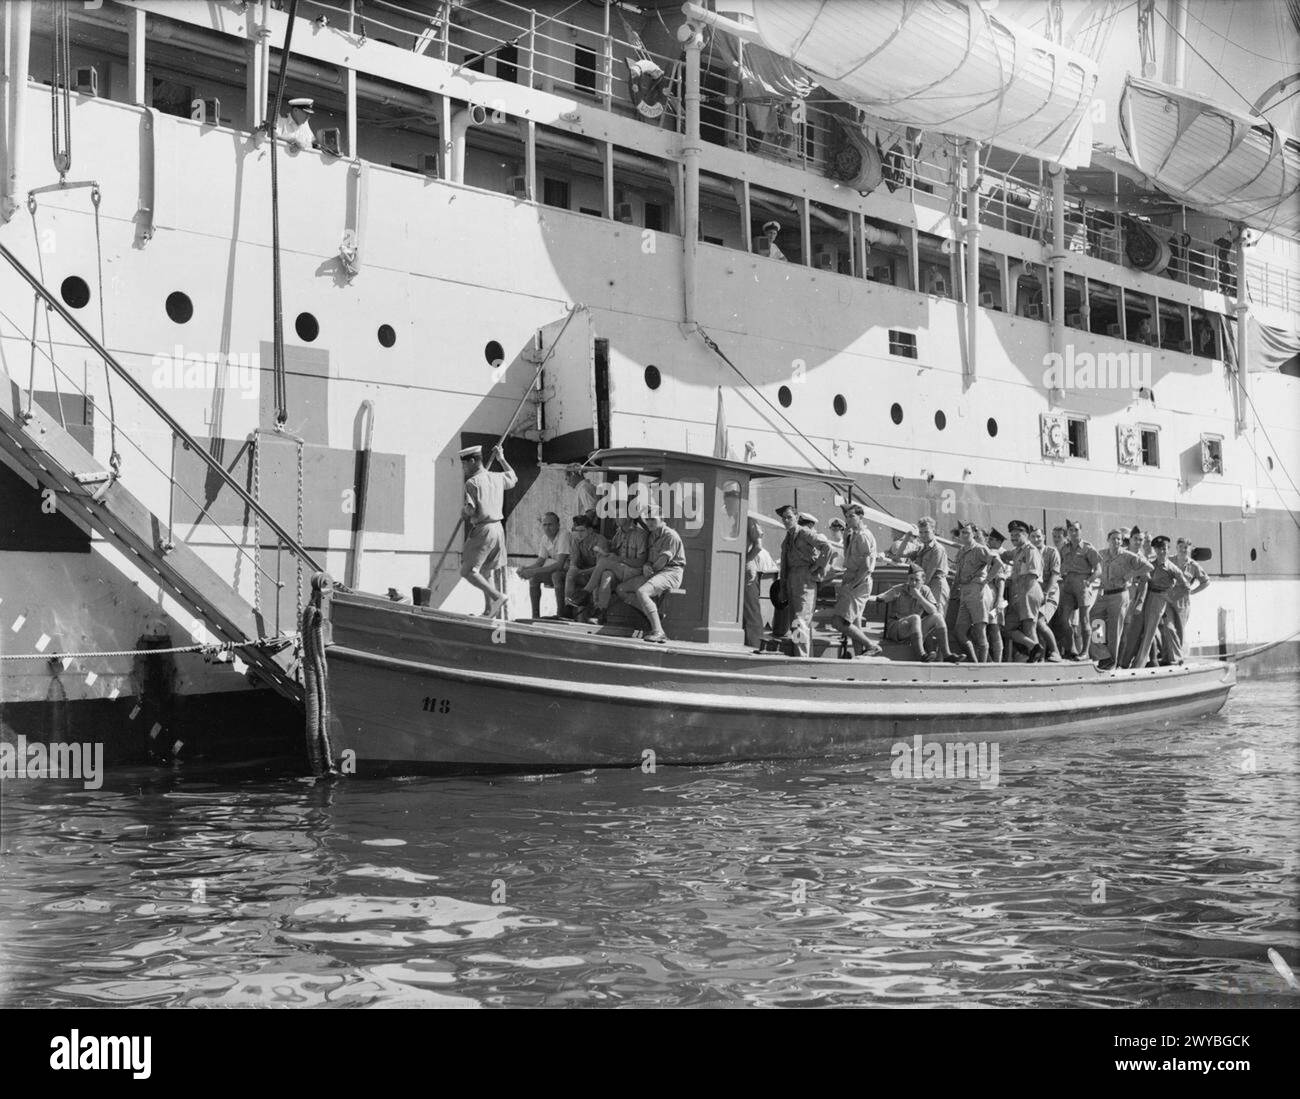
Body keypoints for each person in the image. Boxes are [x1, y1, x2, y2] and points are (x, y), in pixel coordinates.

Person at [459, 444, 517, 615]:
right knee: (485, 571)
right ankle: (489, 610)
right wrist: (502, 459)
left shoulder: (472, 482)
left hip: (484, 529)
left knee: (468, 571)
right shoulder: (497, 477)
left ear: (472, 461)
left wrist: (464, 513)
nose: (463, 468)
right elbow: (513, 479)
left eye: (464, 464)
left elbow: (470, 510)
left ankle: (497, 596)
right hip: (498, 529)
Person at [616, 505, 684, 644]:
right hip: (655, 571)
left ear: (662, 518)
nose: (650, 522)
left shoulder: (670, 535)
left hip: (670, 572)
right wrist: (647, 565)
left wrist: (649, 568)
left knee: (642, 592)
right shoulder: (652, 534)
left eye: (653, 519)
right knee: (621, 589)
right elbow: (649, 560)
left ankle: (659, 632)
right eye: (648, 520)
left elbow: (662, 561)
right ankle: (654, 614)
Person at [869, 564, 960, 663]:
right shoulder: (900, 589)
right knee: (916, 617)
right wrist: (866, 597)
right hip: (896, 628)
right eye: (910, 579)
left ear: (923, 581)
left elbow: (933, 610)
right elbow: (881, 597)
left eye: (917, 580)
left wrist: (919, 597)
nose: (912, 583)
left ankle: (947, 654)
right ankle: (921, 655)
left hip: (914, 629)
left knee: (938, 617)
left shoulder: (925, 590)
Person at [1090, 528, 1152, 670]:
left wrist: (1131, 574)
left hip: (1119, 595)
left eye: (1119, 539)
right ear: (1108, 540)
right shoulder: (1101, 554)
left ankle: (1111, 662)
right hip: (1104, 594)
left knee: (1114, 630)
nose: (1116, 541)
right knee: (1095, 619)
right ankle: (1103, 654)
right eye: (1114, 538)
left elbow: (1149, 566)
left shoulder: (1127, 555)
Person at [1128, 536, 1191, 667]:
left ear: (1168, 550)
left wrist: (1171, 597)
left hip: (1161, 600)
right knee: (1145, 630)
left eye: (1165, 549)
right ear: (1155, 550)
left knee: (1167, 629)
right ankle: (1143, 660)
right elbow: (1140, 577)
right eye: (1159, 549)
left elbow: (1186, 587)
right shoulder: (1150, 564)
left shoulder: (1172, 568)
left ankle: (1173, 658)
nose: (1162, 552)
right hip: (1149, 598)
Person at [830, 504, 882, 658]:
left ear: (860, 517)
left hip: (858, 582)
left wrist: (852, 586)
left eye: (852, 516)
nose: (848, 519)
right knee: (855, 623)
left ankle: (871, 646)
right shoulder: (854, 534)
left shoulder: (863, 536)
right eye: (847, 516)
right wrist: (846, 537)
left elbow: (866, 567)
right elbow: (848, 557)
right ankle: (862, 654)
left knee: (838, 622)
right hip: (853, 580)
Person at [783, 512, 832, 657]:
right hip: (793, 578)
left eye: (789, 517)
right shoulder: (789, 536)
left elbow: (827, 547)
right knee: (796, 620)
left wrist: (817, 566)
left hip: (804, 578)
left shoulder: (804, 533)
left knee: (800, 620)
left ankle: (801, 657)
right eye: (784, 518)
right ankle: (804, 654)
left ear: (796, 518)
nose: (786, 520)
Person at [582, 516, 649, 621]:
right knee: (606, 574)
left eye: (619, 515)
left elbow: (641, 562)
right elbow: (613, 553)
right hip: (620, 571)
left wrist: (619, 559)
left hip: (634, 572)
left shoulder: (640, 535)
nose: (615, 518)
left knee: (604, 563)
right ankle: (600, 611)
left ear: (628, 517)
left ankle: (585, 592)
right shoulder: (618, 534)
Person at [998, 520, 1044, 660]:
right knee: (1007, 629)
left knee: (1029, 628)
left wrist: (1020, 596)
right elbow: (1004, 555)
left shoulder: (1031, 551)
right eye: (1012, 535)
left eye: (1017, 535)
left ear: (1026, 535)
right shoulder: (1017, 551)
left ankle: (1038, 664)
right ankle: (1034, 647)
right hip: (1018, 594)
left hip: (1028, 593)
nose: (1013, 538)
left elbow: (1031, 576)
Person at [952, 522, 996, 662]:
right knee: (959, 631)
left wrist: (986, 580)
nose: (964, 535)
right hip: (965, 593)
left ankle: (981, 666)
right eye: (962, 532)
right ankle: (975, 661)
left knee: (980, 631)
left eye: (967, 532)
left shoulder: (980, 549)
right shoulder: (962, 551)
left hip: (978, 593)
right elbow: (958, 574)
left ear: (974, 534)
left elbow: (997, 564)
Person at [1057, 519, 1101, 659]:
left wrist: (1089, 581)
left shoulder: (1088, 548)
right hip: (1068, 584)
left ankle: (1085, 652)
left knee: (1084, 620)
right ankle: (1072, 649)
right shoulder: (1064, 548)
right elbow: (1061, 565)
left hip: (1082, 584)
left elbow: (1099, 569)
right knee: (1064, 619)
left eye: (1076, 529)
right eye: (1070, 530)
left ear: (1080, 531)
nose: (1073, 532)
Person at [516, 512, 571, 618]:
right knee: (534, 578)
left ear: (558, 525)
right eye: (544, 525)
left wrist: (533, 571)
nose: (547, 528)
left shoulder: (563, 534)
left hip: (573, 571)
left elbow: (559, 565)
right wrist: (524, 569)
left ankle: (561, 614)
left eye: (550, 524)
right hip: (563, 570)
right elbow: (539, 562)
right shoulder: (545, 538)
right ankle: (535, 616)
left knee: (556, 575)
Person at [905, 516, 950, 620]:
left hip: (936, 585)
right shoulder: (921, 548)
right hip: (925, 584)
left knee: (937, 617)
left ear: (933, 531)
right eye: (921, 532)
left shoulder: (937, 549)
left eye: (926, 532)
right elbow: (899, 555)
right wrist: (907, 538)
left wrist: (918, 592)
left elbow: (929, 574)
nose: (923, 535)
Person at [1171, 537, 1211, 651]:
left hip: (1183, 602)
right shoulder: (1170, 560)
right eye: (1180, 547)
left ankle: (1178, 655)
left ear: (1189, 549)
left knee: (1180, 630)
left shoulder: (1193, 565)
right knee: (1167, 628)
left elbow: (1206, 581)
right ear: (1176, 547)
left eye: (1185, 548)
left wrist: (1193, 592)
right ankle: (1168, 655)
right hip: (1168, 599)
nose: (1183, 550)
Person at [564, 514, 609, 610]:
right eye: (577, 530)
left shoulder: (600, 541)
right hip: (585, 573)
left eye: (582, 530)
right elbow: (574, 561)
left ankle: (597, 611)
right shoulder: (576, 540)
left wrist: (582, 572)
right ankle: (568, 606)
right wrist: (574, 568)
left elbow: (600, 567)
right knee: (570, 573)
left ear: (590, 530)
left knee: (599, 577)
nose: (579, 534)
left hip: (598, 573)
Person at [1030, 527, 1062, 661]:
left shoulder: (1051, 552)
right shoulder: (1030, 552)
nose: (1036, 539)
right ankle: (1041, 657)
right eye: (1033, 537)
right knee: (1035, 626)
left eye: (1038, 536)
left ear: (1043, 536)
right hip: (1035, 595)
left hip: (1050, 594)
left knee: (1040, 622)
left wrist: (1045, 592)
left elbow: (1055, 575)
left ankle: (1056, 652)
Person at [982, 527, 1007, 663]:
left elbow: (1001, 580)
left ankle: (996, 661)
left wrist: (999, 599)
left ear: (998, 542)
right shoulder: (989, 552)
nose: (988, 541)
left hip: (994, 595)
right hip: (986, 594)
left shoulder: (997, 554)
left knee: (994, 628)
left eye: (991, 539)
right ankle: (990, 660)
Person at [743, 507, 765, 648]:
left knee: (750, 608)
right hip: (735, 565)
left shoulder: (749, 519)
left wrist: (745, 560)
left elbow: (758, 546)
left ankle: (755, 645)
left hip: (745, 567)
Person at [825, 517, 847, 582]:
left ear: (842, 530)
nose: (833, 531)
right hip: (828, 575)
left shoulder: (846, 545)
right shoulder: (827, 543)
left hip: (841, 575)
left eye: (836, 529)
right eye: (831, 529)